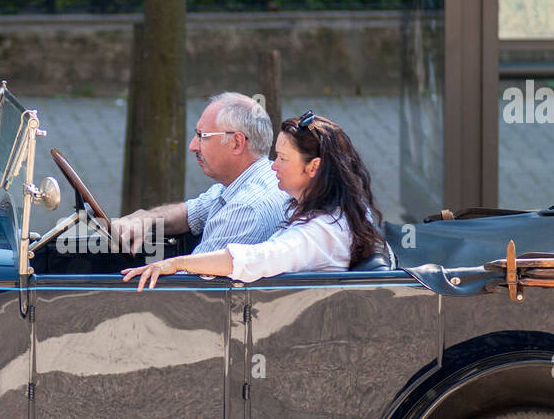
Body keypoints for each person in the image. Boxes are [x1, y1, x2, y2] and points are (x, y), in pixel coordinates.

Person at [121, 112, 384, 289]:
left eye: (282, 159)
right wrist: (145, 217)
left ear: (313, 167)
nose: (273, 167)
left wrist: (175, 263)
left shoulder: (320, 232)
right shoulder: (339, 208)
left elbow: (254, 259)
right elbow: (197, 209)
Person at [112, 92, 288, 257]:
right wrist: (146, 218)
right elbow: (190, 214)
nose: (192, 146)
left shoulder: (244, 209)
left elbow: (192, 284)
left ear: (236, 143)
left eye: (202, 135)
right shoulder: (252, 179)